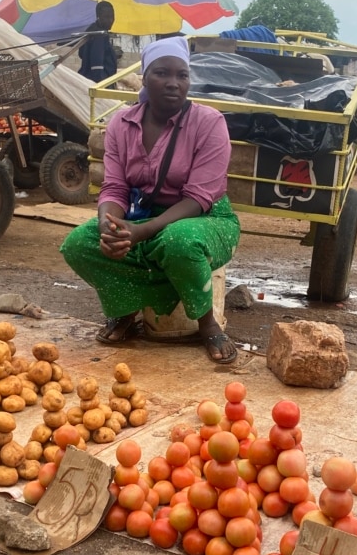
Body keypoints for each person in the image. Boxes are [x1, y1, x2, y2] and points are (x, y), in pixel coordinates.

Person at [60, 36, 240, 364]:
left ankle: (207, 323)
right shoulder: (121, 123)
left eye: (181, 75)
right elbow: (114, 187)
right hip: (143, 214)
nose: (173, 83)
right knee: (78, 244)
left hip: (206, 218)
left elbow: (199, 198)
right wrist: (108, 224)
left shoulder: (209, 123)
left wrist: (143, 231)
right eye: (162, 73)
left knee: (178, 241)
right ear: (144, 77)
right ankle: (126, 310)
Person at [78, 1, 117, 83]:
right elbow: (97, 66)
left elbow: (81, 53)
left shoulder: (90, 32)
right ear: (98, 17)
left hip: (86, 79)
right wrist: (99, 90)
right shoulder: (99, 35)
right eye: (106, 17)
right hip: (99, 82)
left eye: (112, 17)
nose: (110, 20)